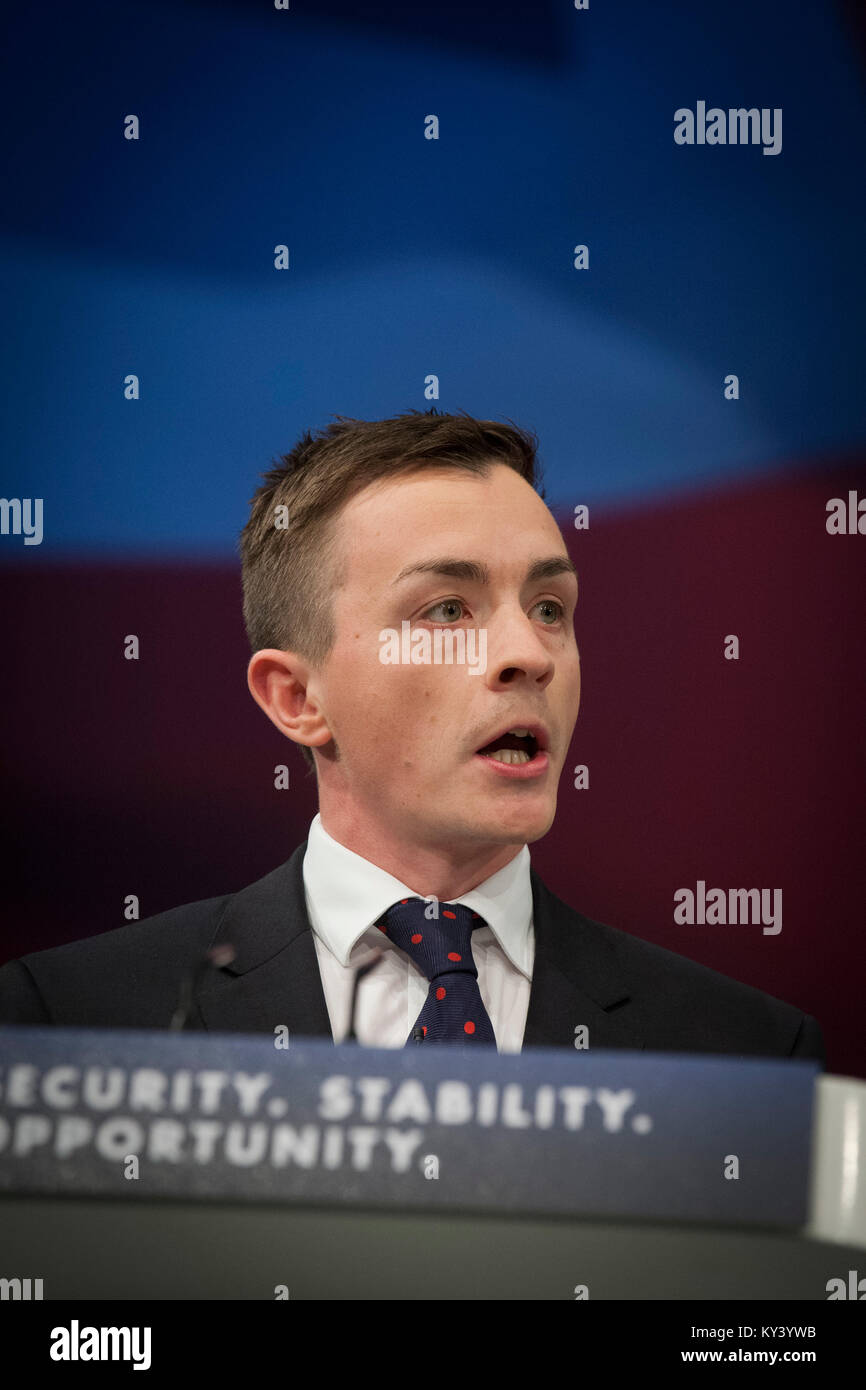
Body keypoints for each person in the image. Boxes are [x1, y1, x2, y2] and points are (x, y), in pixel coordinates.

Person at [0, 410, 825, 1063]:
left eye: (549, 608)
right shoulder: (69, 1022)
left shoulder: (741, 1052)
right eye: (446, 610)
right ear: (297, 698)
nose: (527, 654)